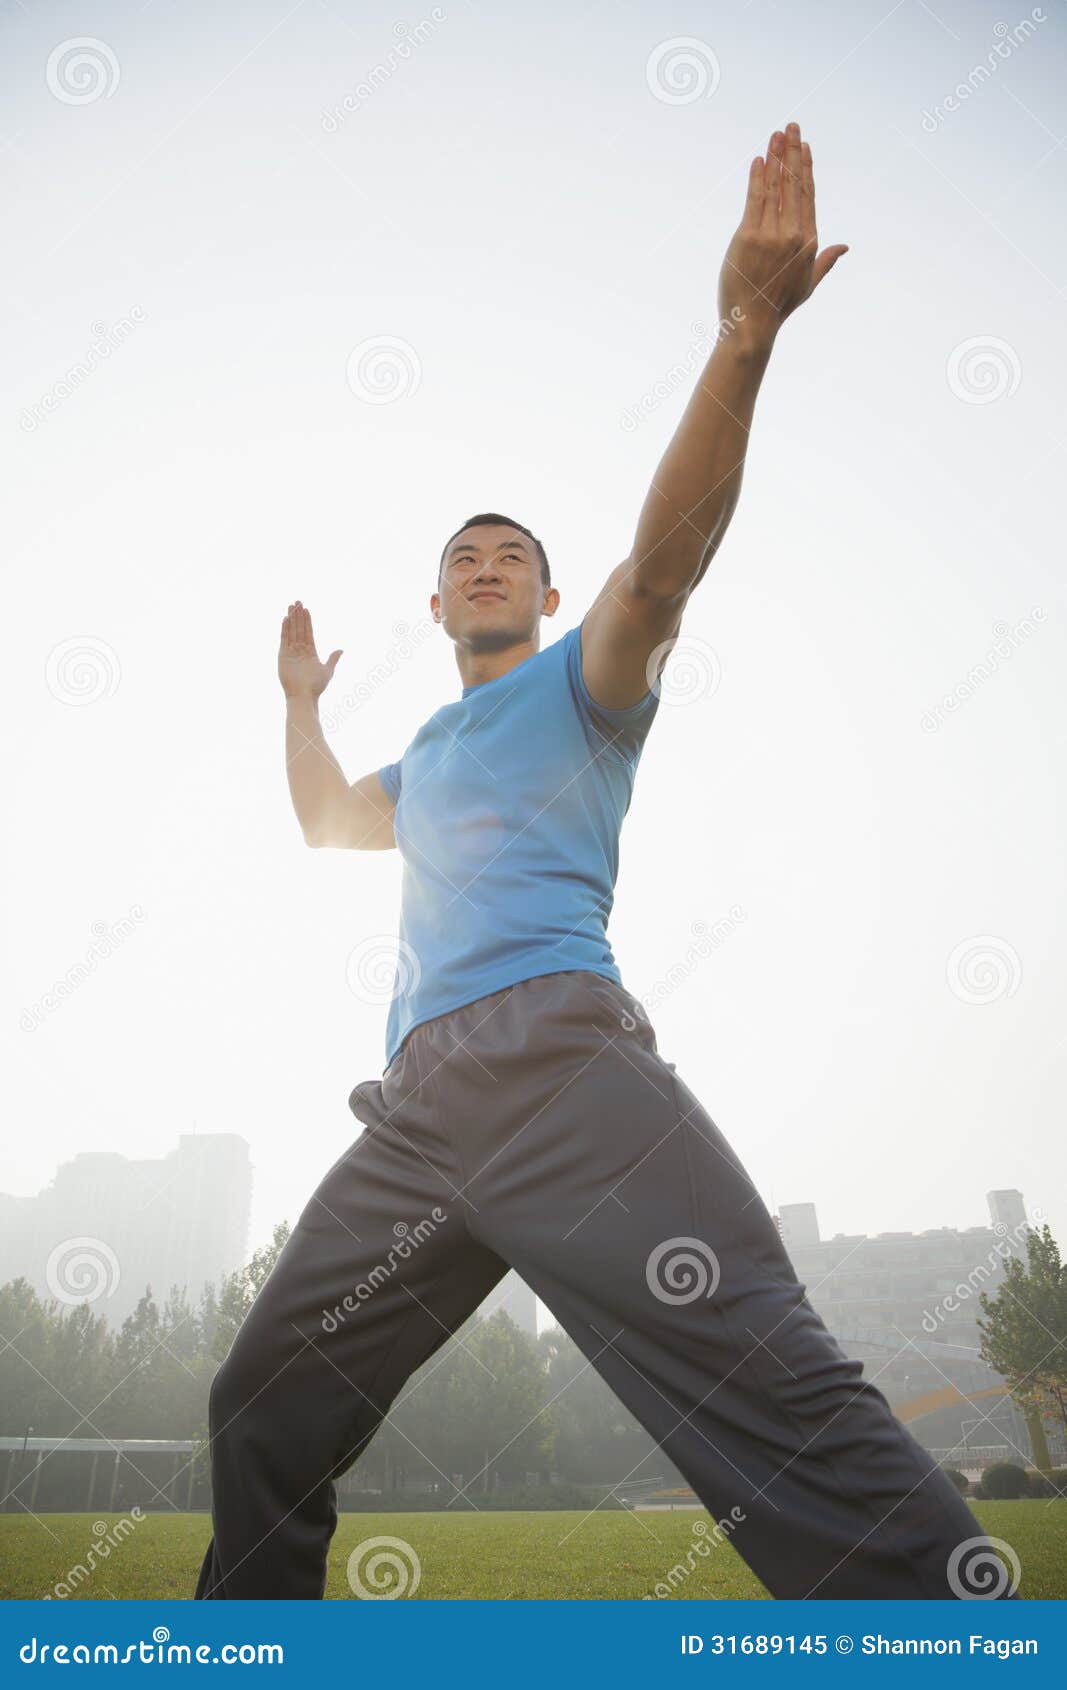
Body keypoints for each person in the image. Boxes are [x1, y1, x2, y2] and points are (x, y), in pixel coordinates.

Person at [196, 124, 1010, 1601]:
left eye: (514, 550)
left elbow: (666, 562)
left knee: (774, 1386)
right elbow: (321, 822)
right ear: (434, 600)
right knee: (263, 1398)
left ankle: (955, 1633)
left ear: (549, 590)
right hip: (418, 1120)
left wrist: (745, 337)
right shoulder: (426, 761)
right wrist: (302, 710)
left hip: (567, 1077)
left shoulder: (586, 680)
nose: (489, 562)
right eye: (465, 555)